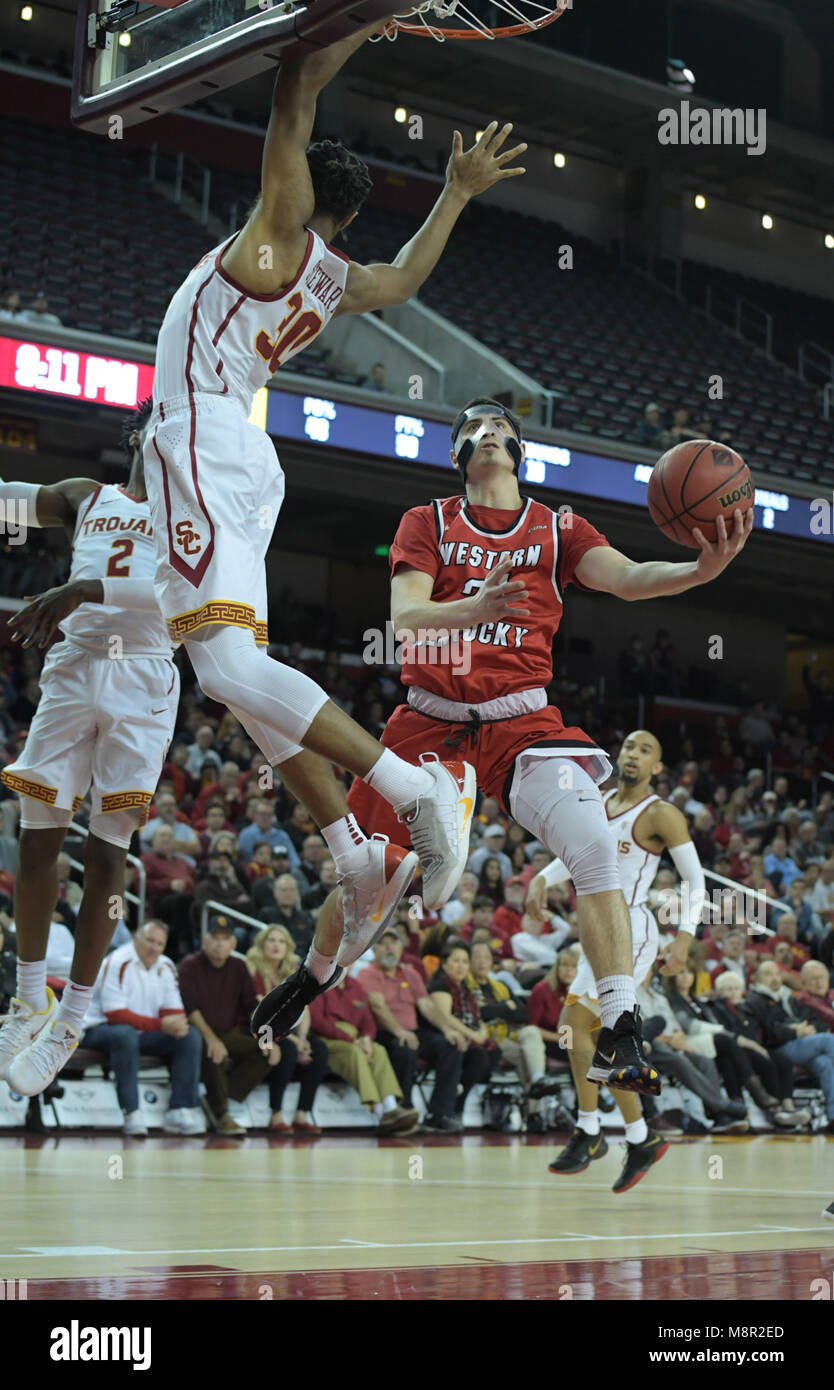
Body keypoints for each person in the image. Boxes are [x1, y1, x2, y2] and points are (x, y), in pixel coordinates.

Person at [144, 29, 531, 1031]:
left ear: (297, 191)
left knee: (226, 669)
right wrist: (454, 192)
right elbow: (401, 282)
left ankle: (412, 796)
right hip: (231, 454)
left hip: (206, 436)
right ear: (349, 212)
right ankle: (355, 853)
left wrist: (343, 21)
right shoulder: (330, 273)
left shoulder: (274, 238)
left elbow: (290, 94)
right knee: (224, 667)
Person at [346, 399, 752, 1099]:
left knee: (593, 840)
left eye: (499, 427)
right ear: (455, 456)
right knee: (368, 888)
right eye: (470, 429)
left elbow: (626, 578)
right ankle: (324, 966)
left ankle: (622, 1026)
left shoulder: (557, 527)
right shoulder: (429, 521)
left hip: (522, 725)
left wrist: (698, 571)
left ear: (519, 451)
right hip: (433, 723)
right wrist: (471, 610)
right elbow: (405, 620)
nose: (485, 434)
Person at [0, 399, 181, 1096]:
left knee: (108, 853)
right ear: (138, 435)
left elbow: (173, 595)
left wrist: (83, 585)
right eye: (162, 422)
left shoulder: (191, 512)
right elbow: (17, 503)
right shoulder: (86, 497)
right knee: (38, 834)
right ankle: (28, 998)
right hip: (75, 667)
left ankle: (73, 1016)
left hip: (143, 681)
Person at [529, 730, 709, 1190]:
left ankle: (594, 1131)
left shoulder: (661, 814)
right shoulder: (595, 800)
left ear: (657, 768)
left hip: (633, 929)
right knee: (584, 1037)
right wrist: (541, 879)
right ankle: (637, 1135)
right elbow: (576, 855)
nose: (634, 754)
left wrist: (684, 937)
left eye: (646, 749)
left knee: (579, 1025)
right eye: (629, 746)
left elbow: (695, 880)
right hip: (596, 928)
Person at [82, 920, 205, 1135]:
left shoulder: (166, 966)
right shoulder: (118, 961)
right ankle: (131, 1111)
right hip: (99, 1029)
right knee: (125, 1035)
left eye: (159, 944)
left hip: (143, 1032)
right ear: (136, 938)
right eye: (149, 941)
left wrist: (177, 1024)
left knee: (189, 1036)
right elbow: (115, 1014)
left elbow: (173, 1009)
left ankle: (181, 1108)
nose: (154, 948)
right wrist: (160, 1024)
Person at [178, 918, 276, 1136]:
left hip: (229, 1033)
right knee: (215, 1053)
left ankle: (218, 1100)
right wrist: (211, 1039)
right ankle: (222, 1115)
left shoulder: (239, 966)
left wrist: (267, 1036)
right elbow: (189, 1007)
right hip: (198, 1032)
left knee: (266, 1053)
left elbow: (252, 1004)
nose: (220, 944)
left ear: (233, 943)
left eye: (225, 939)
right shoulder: (189, 965)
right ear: (204, 940)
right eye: (215, 938)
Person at [307, 971, 419, 1134]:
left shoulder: (355, 985)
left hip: (356, 1037)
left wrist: (366, 1038)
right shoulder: (318, 983)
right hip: (328, 1039)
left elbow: (367, 1019)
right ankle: (380, 1113)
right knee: (354, 1052)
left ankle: (391, 1107)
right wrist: (352, 1040)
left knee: (378, 1050)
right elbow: (317, 1021)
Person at [246, 927, 327, 1134]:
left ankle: (302, 1114)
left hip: (286, 1032)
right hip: (260, 1031)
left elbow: (303, 1007)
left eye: (281, 942)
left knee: (319, 1049)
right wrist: (294, 1042)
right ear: (262, 944)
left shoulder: (294, 972)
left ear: (287, 947)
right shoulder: (251, 970)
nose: (276, 945)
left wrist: (303, 1039)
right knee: (288, 1050)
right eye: (271, 940)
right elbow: (263, 1013)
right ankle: (276, 1115)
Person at [357, 925, 444, 1113]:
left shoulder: (410, 973)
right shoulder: (367, 974)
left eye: (393, 943)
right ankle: (404, 1107)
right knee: (405, 1047)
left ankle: (441, 1110)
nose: (389, 948)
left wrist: (448, 1029)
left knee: (447, 1045)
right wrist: (399, 1031)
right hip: (385, 1032)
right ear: (374, 949)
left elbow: (426, 1006)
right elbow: (378, 1008)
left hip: (413, 1030)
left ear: (401, 947)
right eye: (383, 943)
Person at [467, 940, 556, 1100]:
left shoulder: (500, 986)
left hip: (509, 1035)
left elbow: (523, 1013)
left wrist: (495, 1011)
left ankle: (538, 1079)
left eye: (486, 958)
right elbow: (477, 1014)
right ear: (469, 960)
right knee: (526, 1055)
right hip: (486, 1038)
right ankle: (534, 1105)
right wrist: (505, 1008)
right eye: (477, 957)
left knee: (531, 1031)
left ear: (492, 962)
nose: (482, 962)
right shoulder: (465, 985)